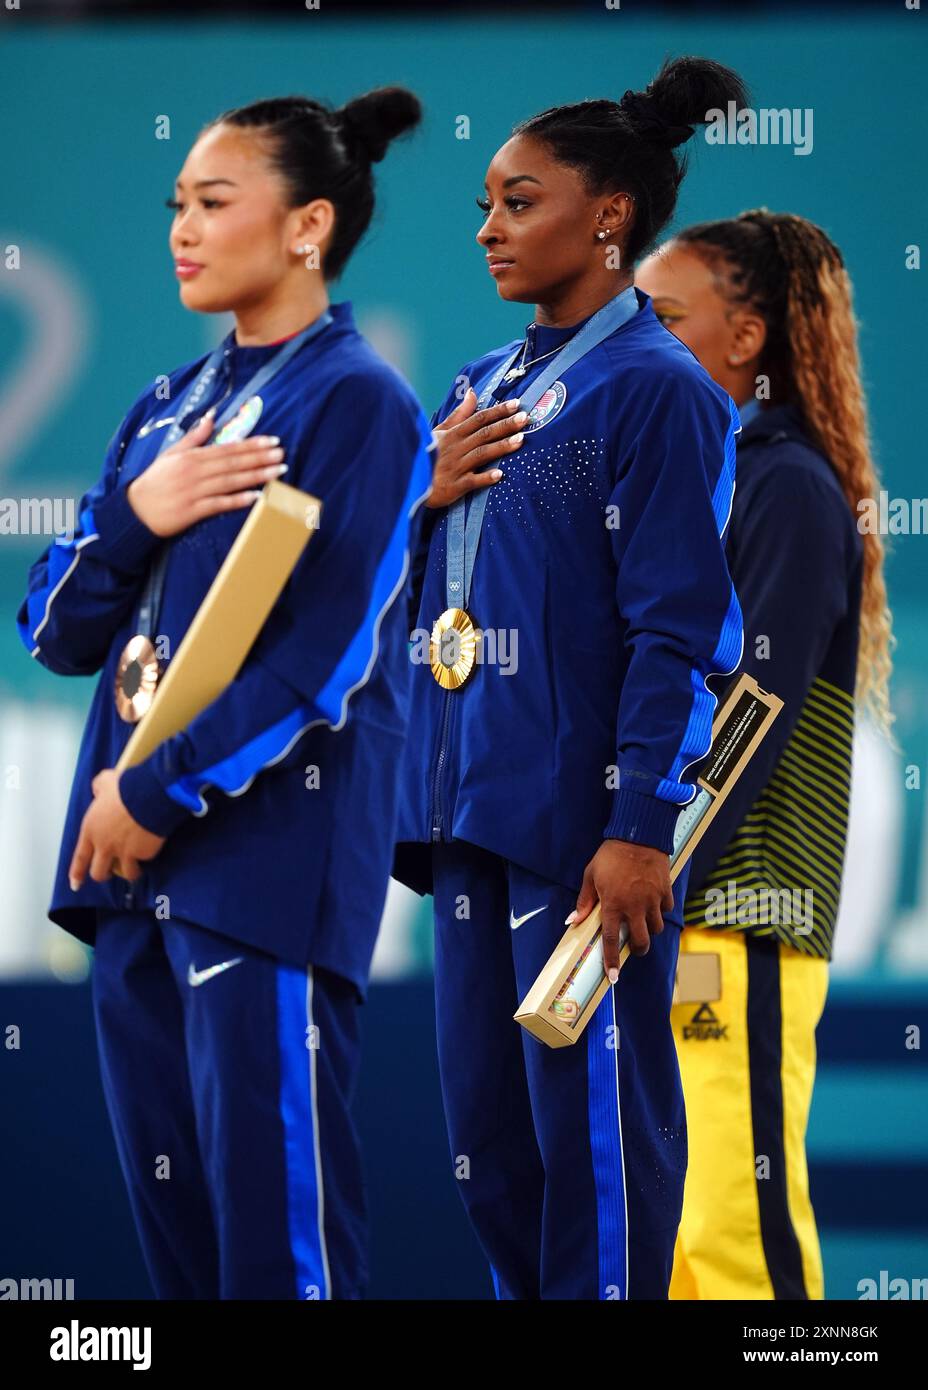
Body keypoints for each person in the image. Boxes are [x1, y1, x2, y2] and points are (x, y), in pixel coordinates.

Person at [17, 88, 433, 1300]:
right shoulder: (164, 409)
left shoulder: (361, 400)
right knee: (180, 1254)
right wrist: (137, 513)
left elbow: (330, 656)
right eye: (175, 205)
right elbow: (53, 628)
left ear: (308, 227)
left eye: (212, 202)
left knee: (277, 1250)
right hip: (125, 875)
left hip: (263, 870)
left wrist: (152, 786)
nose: (180, 230)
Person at [392, 56, 748, 1300]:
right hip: (464, 820)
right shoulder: (476, 392)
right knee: (492, 1165)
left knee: (589, 1153)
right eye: (486, 202)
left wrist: (641, 822)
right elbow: (417, 617)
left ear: (608, 217)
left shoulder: (656, 390)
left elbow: (681, 629)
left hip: (580, 835)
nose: (487, 226)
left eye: (518, 199)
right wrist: (413, 498)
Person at [637, 210, 894, 1300]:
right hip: (681, 907)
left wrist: (657, 860)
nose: (631, 340)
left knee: (739, 1240)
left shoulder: (783, 482)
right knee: (682, 1247)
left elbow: (752, 707)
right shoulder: (709, 474)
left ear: (745, 339)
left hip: (739, 912)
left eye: (659, 319)